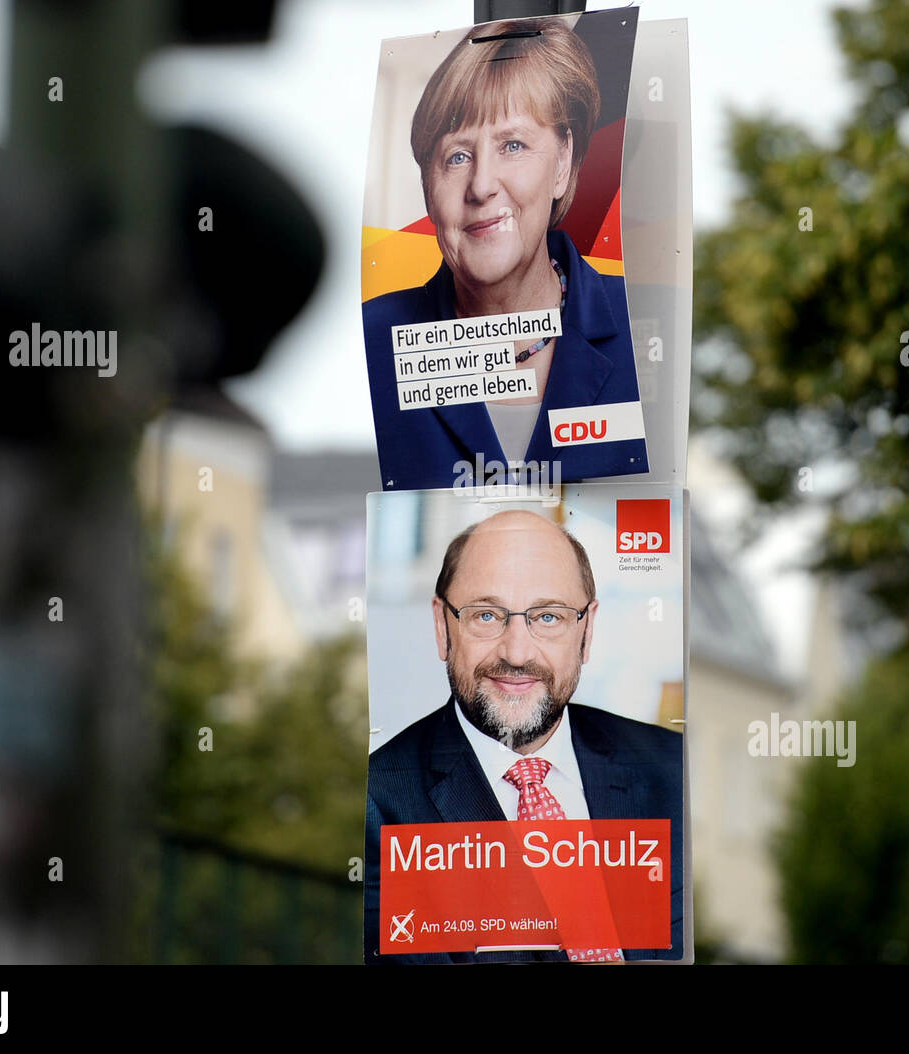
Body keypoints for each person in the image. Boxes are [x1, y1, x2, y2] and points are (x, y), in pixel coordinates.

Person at [364, 510, 684, 964]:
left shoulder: (671, 771)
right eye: (487, 615)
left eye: (548, 617)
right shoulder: (379, 806)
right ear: (442, 627)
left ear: (587, 631)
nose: (516, 652)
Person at [362, 17, 648, 490]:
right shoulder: (375, 337)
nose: (480, 185)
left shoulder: (641, 323)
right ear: (427, 186)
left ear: (561, 163)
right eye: (457, 156)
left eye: (512, 145)